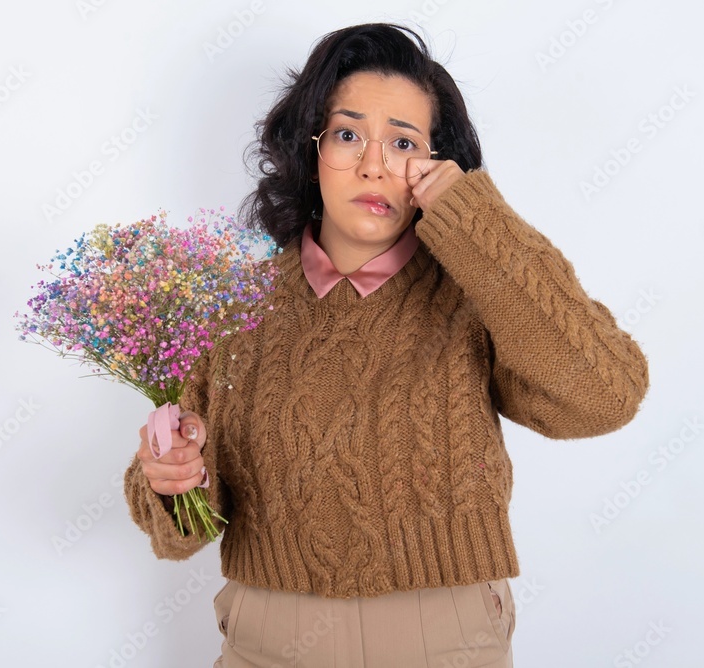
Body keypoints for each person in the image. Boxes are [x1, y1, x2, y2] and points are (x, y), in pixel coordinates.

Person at [124, 22, 649, 667]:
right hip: (269, 636)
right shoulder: (233, 305)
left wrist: (476, 223)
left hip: (443, 634)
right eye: (348, 134)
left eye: (403, 142)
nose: (374, 164)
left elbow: (606, 396)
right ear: (310, 152)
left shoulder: (474, 288)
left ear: (437, 166)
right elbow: (177, 534)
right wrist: (172, 481)